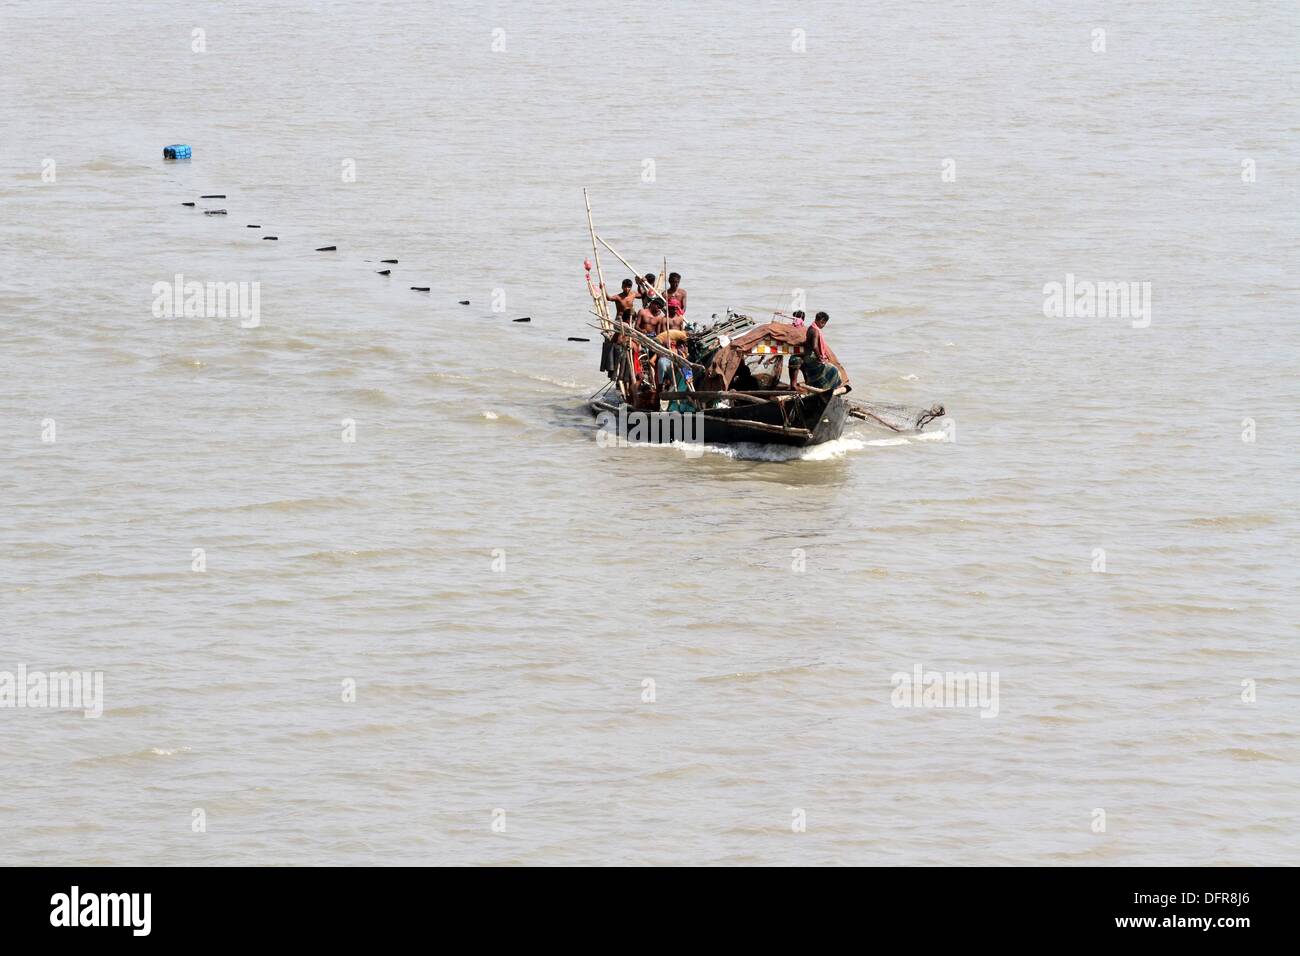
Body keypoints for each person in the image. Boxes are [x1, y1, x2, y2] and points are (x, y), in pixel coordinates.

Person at [797, 311, 841, 391]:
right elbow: (814, 346)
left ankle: (821, 387)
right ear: (822, 321)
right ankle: (827, 389)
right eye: (824, 323)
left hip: (808, 356)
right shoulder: (815, 331)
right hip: (811, 357)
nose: (823, 325)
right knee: (834, 370)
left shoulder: (811, 327)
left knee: (829, 367)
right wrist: (820, 358)